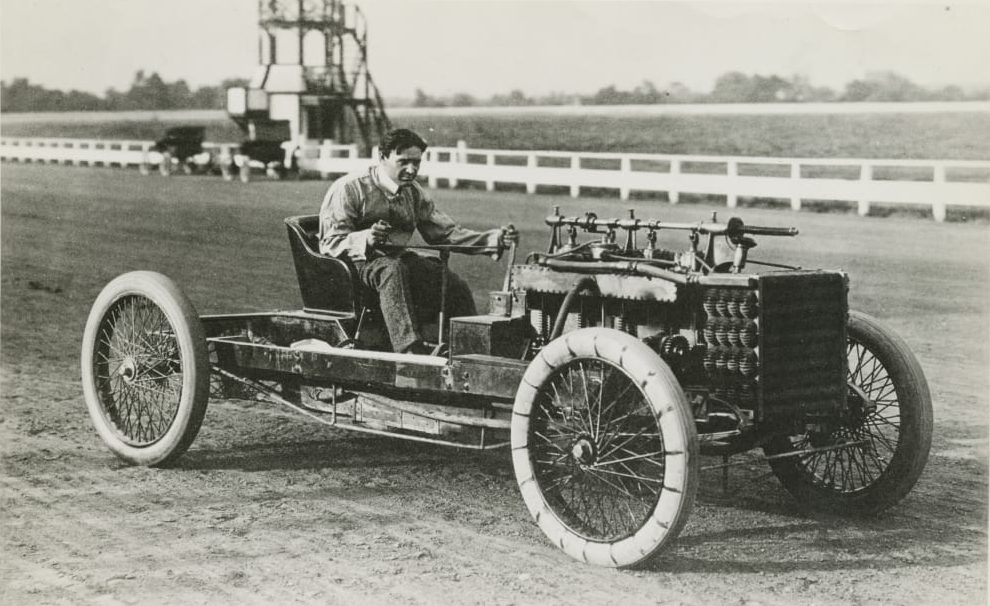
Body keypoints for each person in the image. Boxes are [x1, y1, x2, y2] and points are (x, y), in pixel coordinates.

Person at [318, 128, 517, 355]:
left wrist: (494, 239)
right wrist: (366, 238)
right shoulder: (349, 188)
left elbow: (445, 233)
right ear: (382, 157)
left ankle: (470, 348)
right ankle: (409, 351)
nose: (411, 170)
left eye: (417, 163)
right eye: (403, 162)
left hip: (396, 261)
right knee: (392, 270)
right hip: (357, 264)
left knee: (450, 282)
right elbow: (330, 242)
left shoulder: (413, 192)